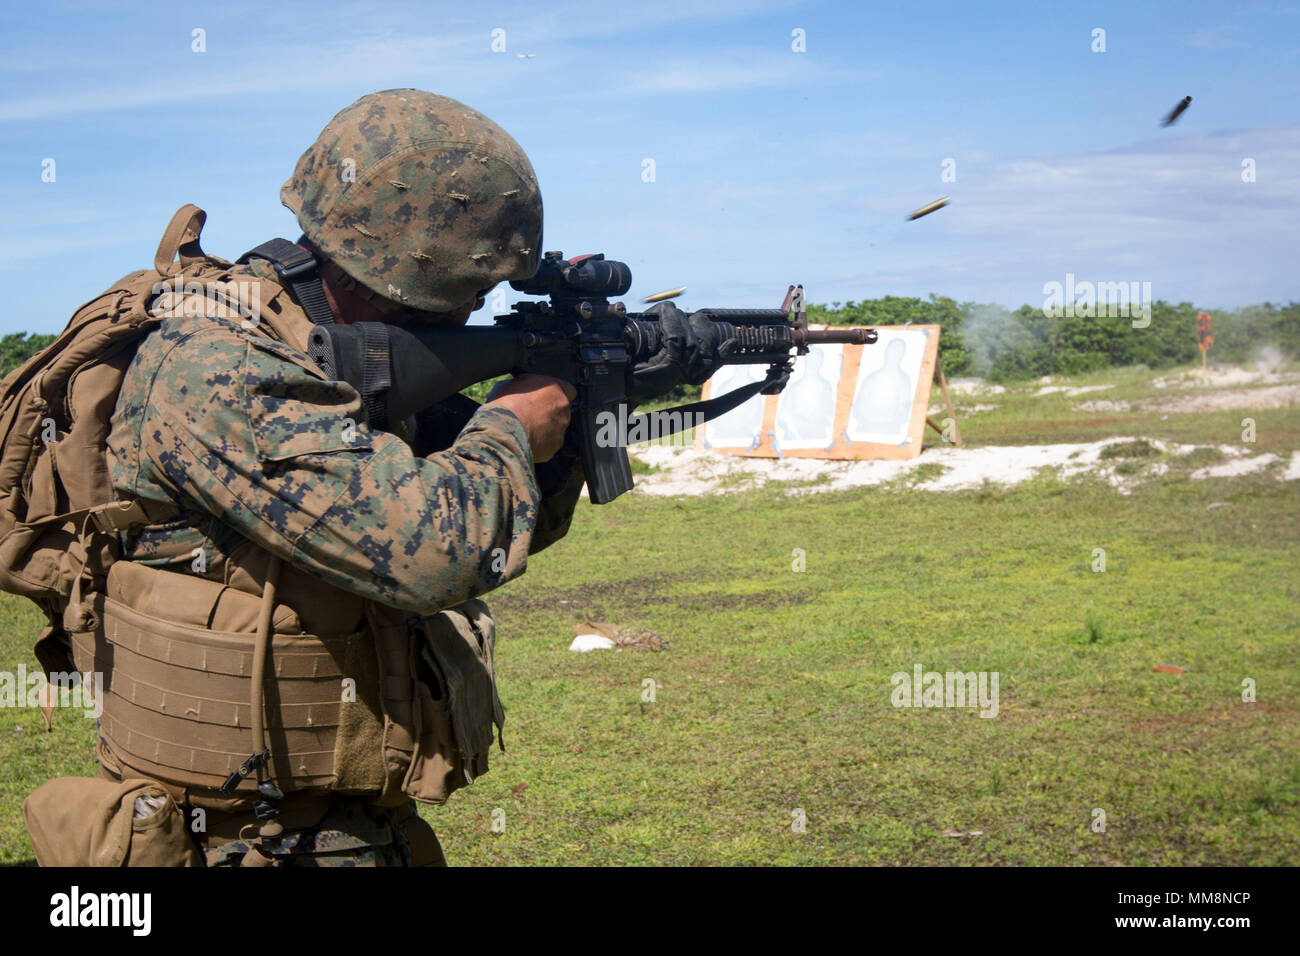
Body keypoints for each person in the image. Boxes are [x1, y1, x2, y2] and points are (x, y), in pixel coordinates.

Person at [95, 88, 589, 866]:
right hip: (233, 837)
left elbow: (498, 530)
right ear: (394, 272)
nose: (475, 312)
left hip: (340, 820)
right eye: (468, 293)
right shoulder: (221, 364)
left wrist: (580, 412)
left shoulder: (323, 352)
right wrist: (509, 423)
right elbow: (437, 553)